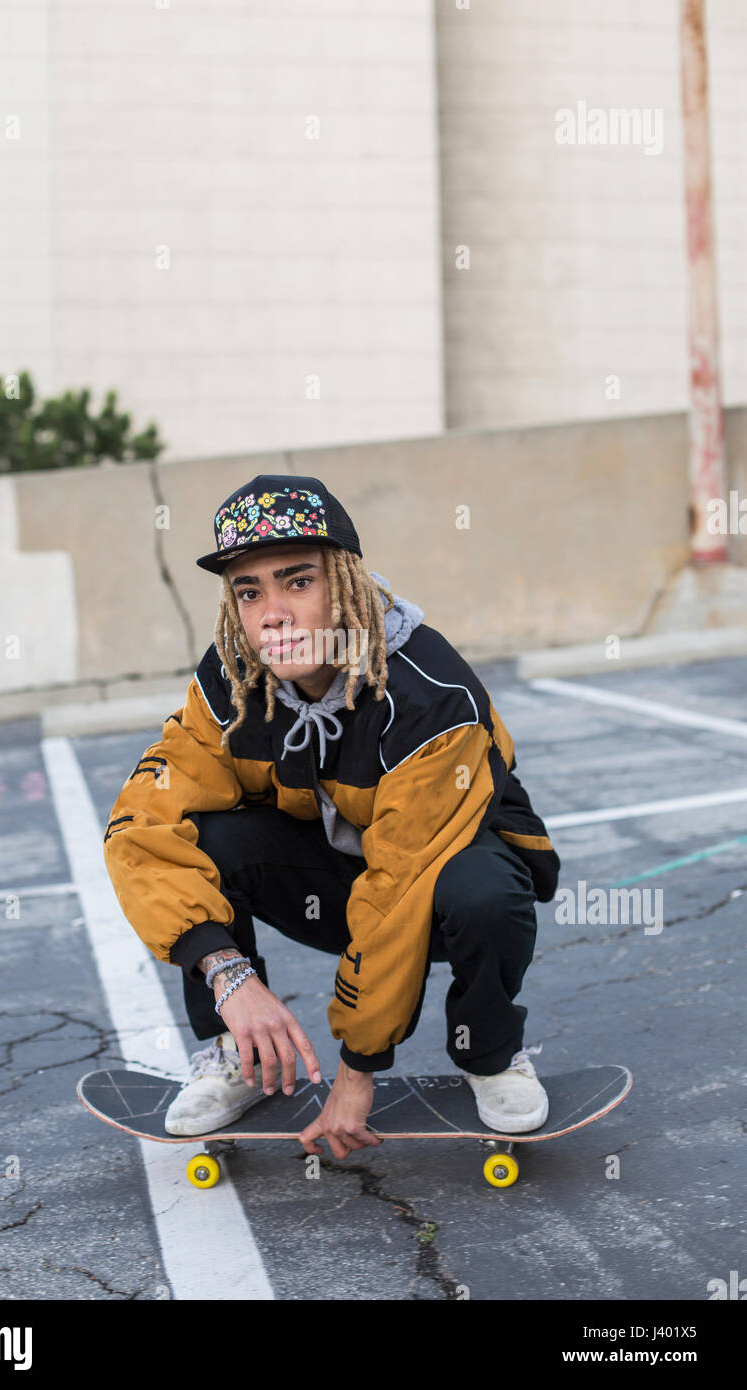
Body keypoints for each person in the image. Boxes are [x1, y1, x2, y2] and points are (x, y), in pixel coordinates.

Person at [103, 474, 560, 1161]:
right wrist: (228, 976)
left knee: (482, 891)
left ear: (345, 582)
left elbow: (399, 888)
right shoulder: (232, 681)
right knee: (207, 838)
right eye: (249, 591)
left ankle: (490, 1052)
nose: (273, 614)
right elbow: (141, 825)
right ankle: (239, 1054)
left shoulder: (430, 697)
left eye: (297, 582)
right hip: (333, 884)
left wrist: (358, 1070)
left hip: (439, 890)